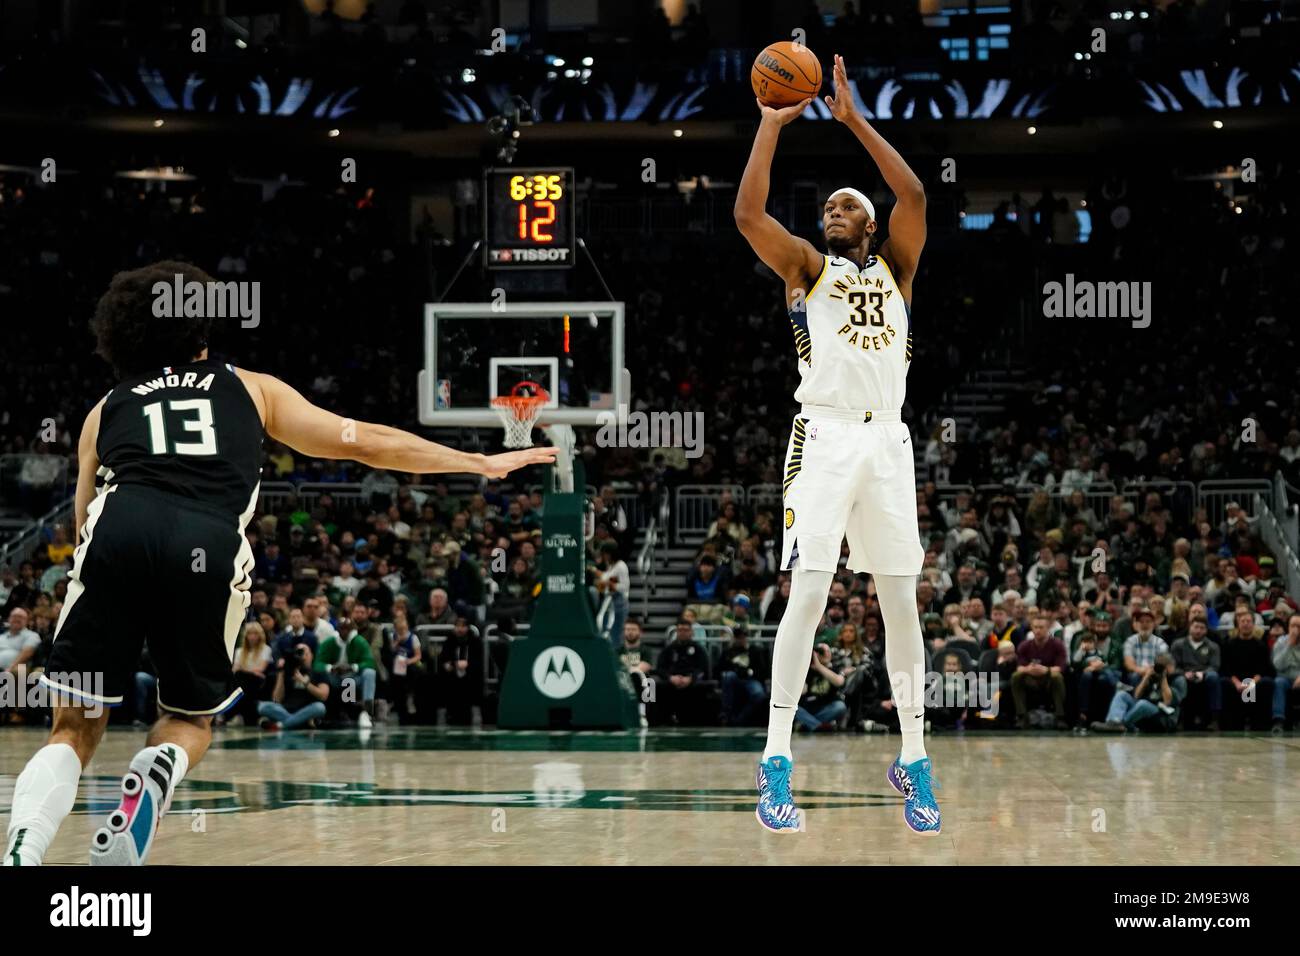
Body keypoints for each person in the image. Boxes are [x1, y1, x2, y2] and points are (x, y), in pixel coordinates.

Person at [3, 260, 556, 867]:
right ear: (202, 327)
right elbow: (364, 441)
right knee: (189, 718)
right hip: (207, 546)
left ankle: (24, 848)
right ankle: (159, 767)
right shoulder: (252, 389)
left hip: (118, 531)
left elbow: (83, 521)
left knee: (73, 727)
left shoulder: (104, 410)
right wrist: (475, 463)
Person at [737, 54, 936, 833]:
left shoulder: (898, 270)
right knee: (811, 593)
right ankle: (775, 762)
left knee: (901, 603)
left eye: (847, 204)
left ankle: (914, 758)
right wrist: (769, 126)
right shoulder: (806, 268)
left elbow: (914, 194)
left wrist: (853, 121)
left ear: (871, 223)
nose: (833, 210)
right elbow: (748, 216)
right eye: (826, 206)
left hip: (888, 443)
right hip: (822, 436)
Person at [1091, 653, 1183, 733]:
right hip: (1144, 714)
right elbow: (1136, 696)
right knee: (1122, 695)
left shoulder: (1177, 679)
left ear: (1170, 666)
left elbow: (1167, 702)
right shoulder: (1153, 677)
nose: (1159, 669)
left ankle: (1120, 724)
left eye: (1162, 666)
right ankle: (1114, 721)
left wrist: (1163, 678)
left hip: (1163, 718)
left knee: (1143, 704)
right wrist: (1146, 677)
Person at [718, 624, 768, 726]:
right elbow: (719, 670)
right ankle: (726, 714)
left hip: (751, 680)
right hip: (734, 680)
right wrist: (736, 670)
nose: (741, 640)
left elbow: (763, 671)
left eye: (743, 637)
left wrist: (749, 672)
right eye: (738, 637)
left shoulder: (755, 651)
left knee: (758, 694)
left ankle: (740, 719)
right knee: (729, 676)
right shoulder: (728, 652)